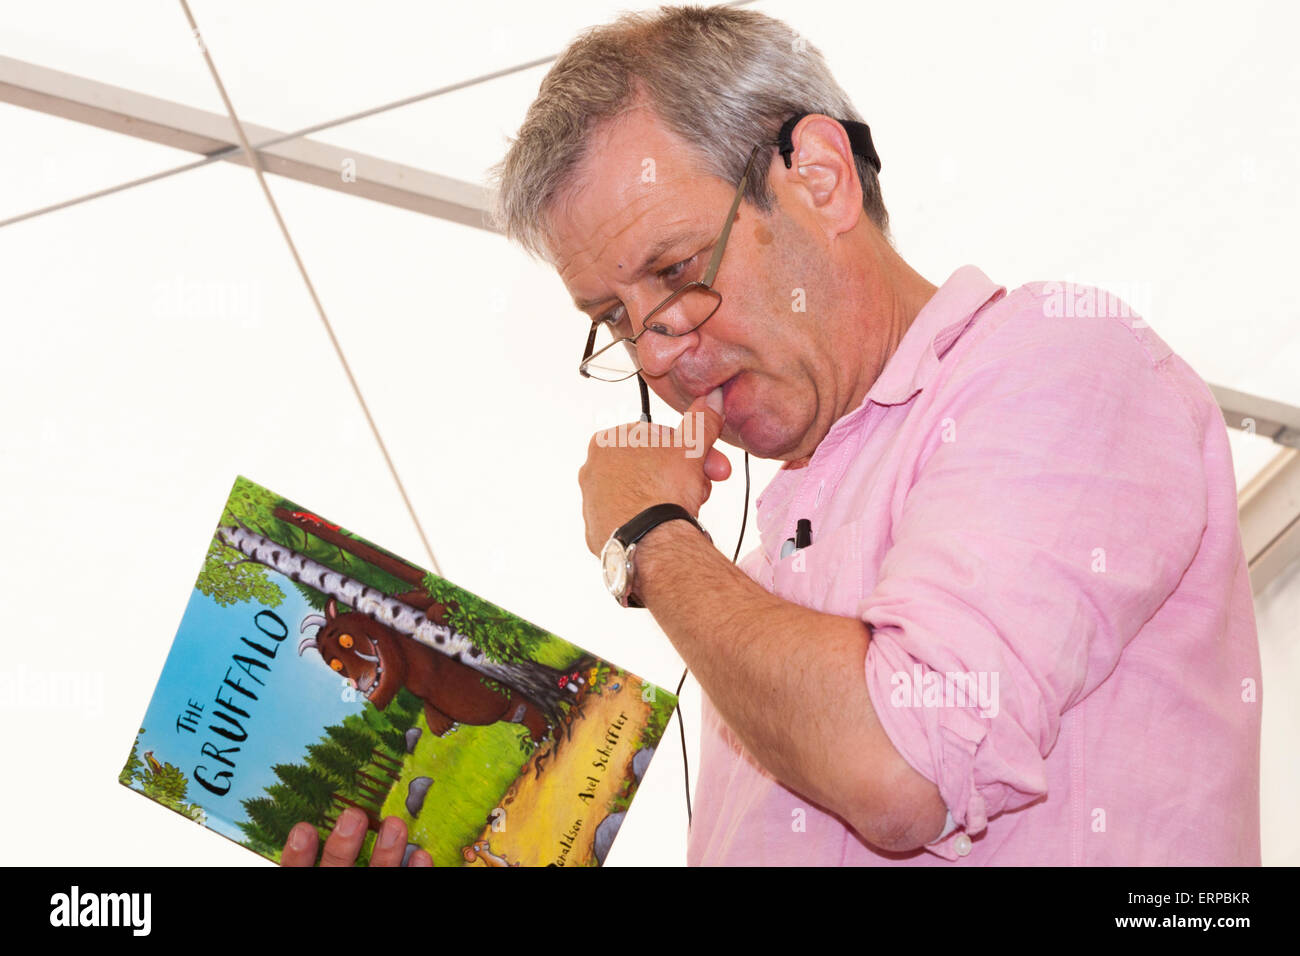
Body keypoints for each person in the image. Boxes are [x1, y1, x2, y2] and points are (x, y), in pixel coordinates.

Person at [285, 4, 1261, 866]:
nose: (658, 351)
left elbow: (897, 767)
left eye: (672, 271)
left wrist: (647, 535)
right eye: (617, 318)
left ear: (822, 177)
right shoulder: (760, 582)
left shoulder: (1057, 354)